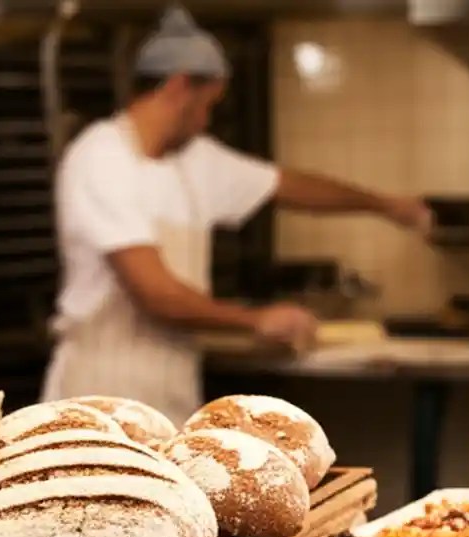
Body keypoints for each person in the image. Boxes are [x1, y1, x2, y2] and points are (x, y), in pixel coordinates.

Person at [42, 5, 433, 423]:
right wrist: (255, 319)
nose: (206, 119)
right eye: (207, 105)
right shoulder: (102, 158)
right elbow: (155, 293)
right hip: (102, 391)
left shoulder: (191, 161)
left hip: (171, 384)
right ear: (179, 88)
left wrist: (387, 206)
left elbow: (289, 186)